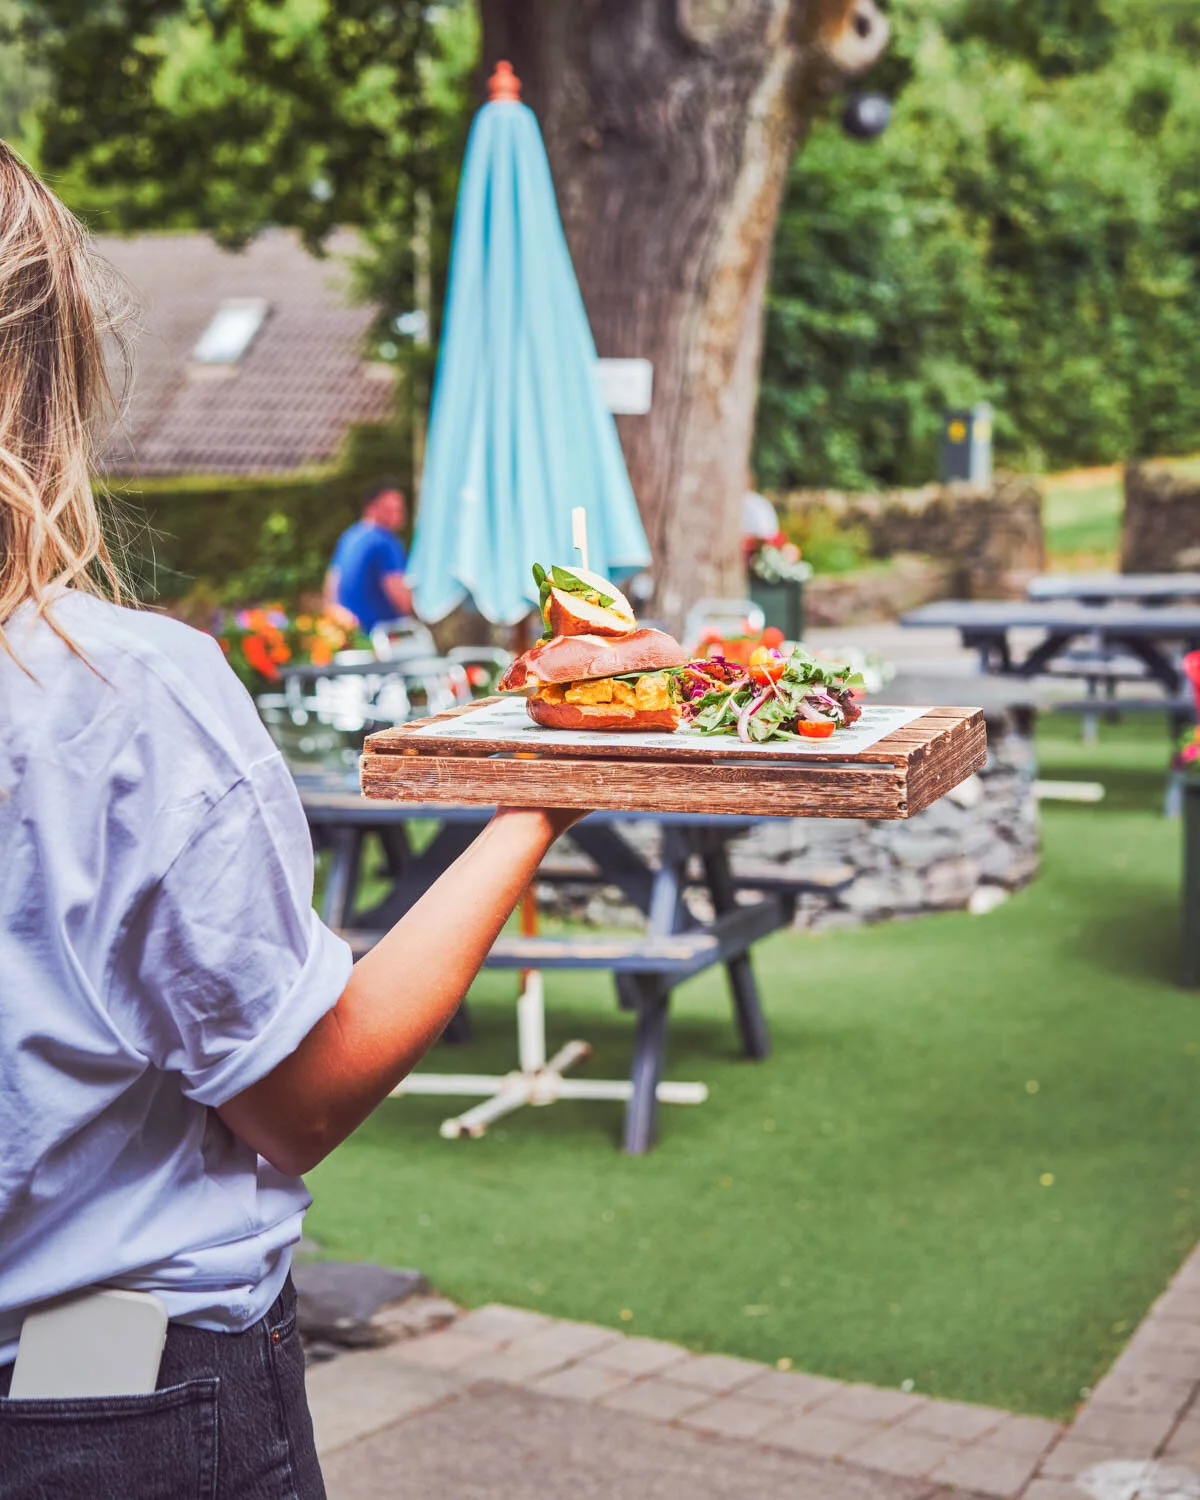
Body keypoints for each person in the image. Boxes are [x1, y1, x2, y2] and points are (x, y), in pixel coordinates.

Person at [0, 141, 579, 1498]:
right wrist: (539, 799)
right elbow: (299, 1098)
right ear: (43, 366)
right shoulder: (115, 691)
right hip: (108, 1402)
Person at [324, 480, 413, 633]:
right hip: (384, 635)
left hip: (351, 634)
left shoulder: (349, 536)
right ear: (372, 508)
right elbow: (399, 594)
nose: (397, 515)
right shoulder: (385, 541)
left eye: (399, 510)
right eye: (390, 509)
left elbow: (332, 584)